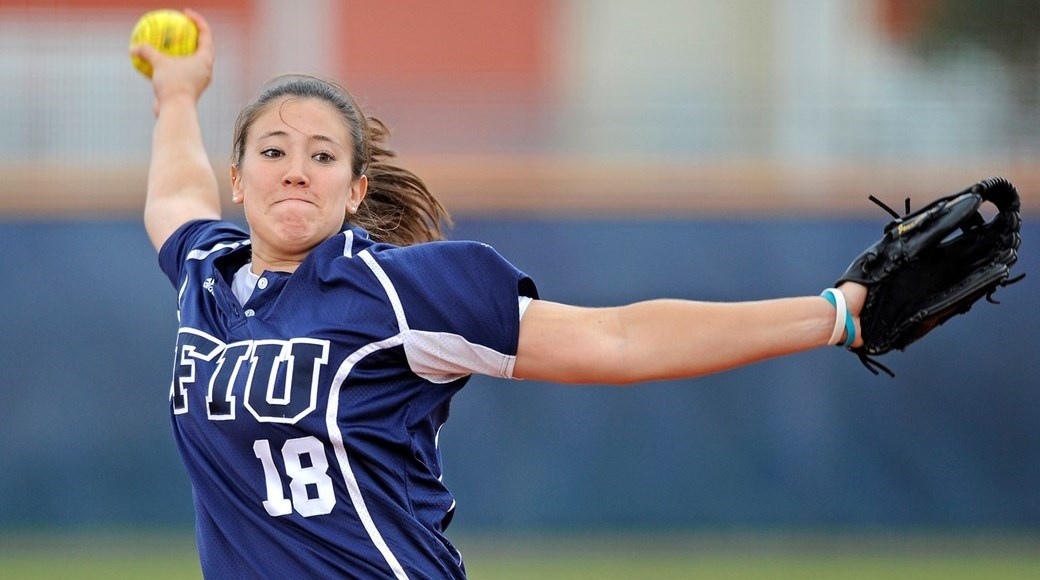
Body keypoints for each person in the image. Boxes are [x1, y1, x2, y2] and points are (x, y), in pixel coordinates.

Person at [133, 10, 866, 579]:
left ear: (355, 190)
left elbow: (616, 339)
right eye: (272, 151)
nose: (295, 170)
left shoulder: (398, 292)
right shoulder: (207, 272)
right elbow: (172, 196)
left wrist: (829, 316)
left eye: (322, 156)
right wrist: (176, 91)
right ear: (239, 179)